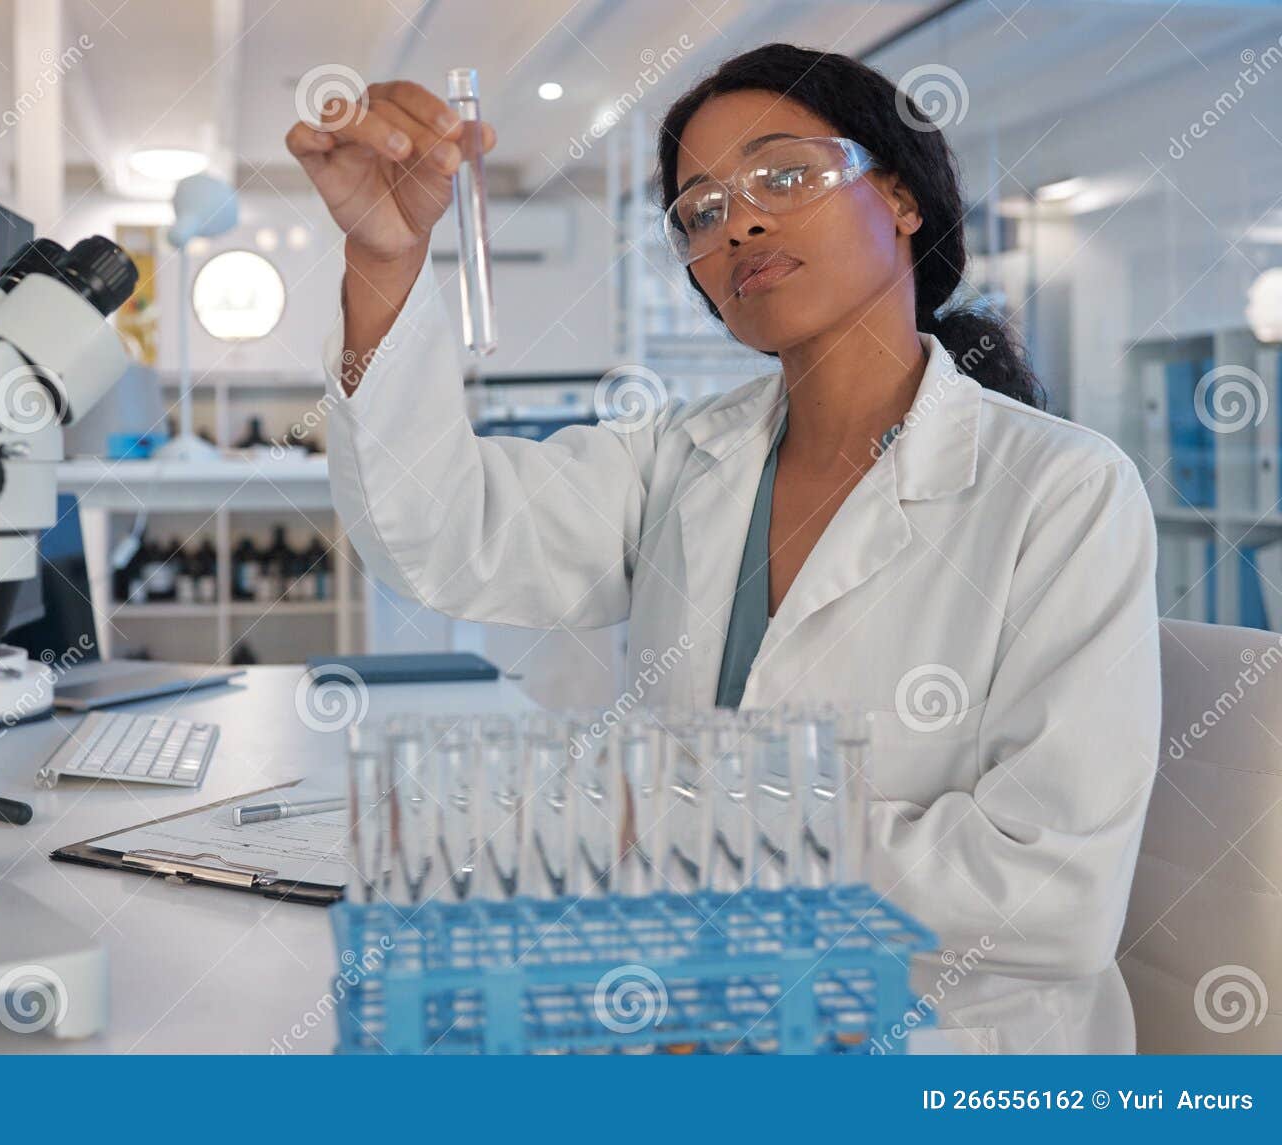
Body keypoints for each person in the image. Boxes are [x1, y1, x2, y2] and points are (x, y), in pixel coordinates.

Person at [286, 43, 1161, 1054]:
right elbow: (445, 532)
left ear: (900, 197)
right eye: (700, 211)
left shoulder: (1063, 491)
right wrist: (384, 261)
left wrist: (686, 820)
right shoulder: (684, 456)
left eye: (782, 175)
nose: (737, 222)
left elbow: (1053, 891)